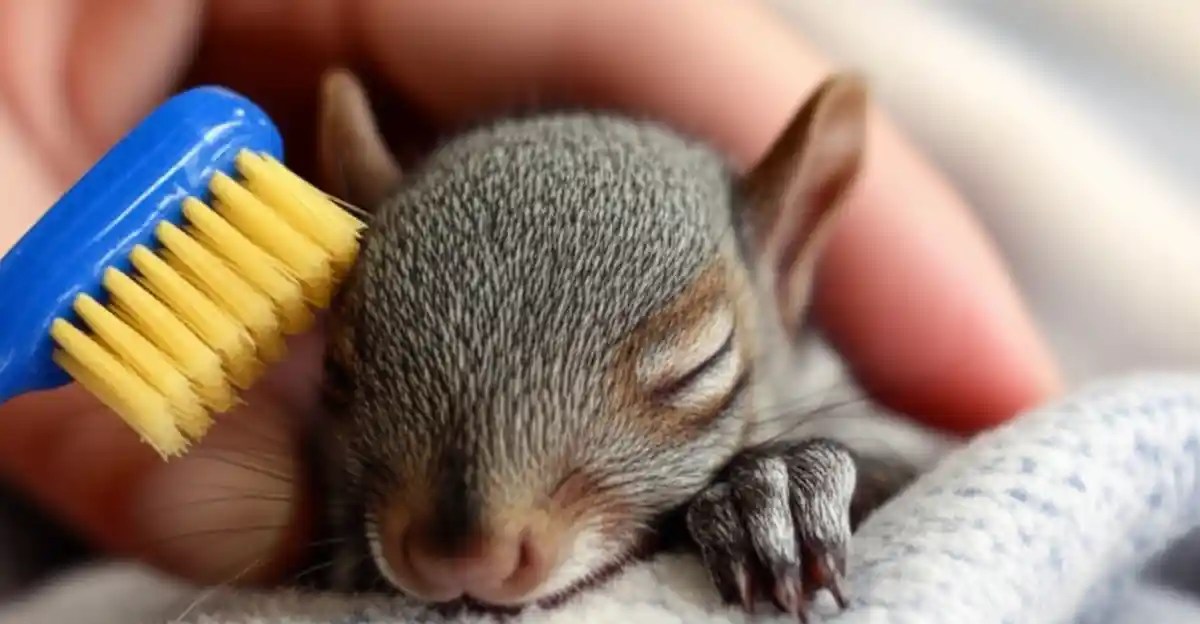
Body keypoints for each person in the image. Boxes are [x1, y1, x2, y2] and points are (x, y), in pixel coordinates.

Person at [0, 0, 1060, 586]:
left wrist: (807, 478)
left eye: (686, 374)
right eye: (358, 378)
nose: (473, 534)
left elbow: (929, 475)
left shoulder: (796, 395)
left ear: (785, 253)